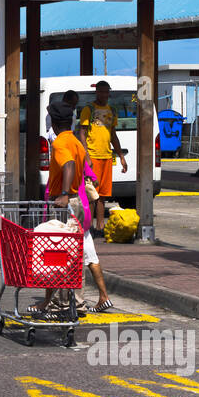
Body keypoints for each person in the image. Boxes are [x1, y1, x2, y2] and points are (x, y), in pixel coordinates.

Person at [38, 98, 114, 315]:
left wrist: (63, 193)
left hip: (67, 203)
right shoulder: (76, 142)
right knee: (74, 254)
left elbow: (69, 165)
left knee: (58, 254)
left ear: (53, 122)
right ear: (70, 121)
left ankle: (64, 304)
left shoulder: (60, 143)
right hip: (78, 203)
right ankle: (76, 302)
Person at [77, 79, 126, 234]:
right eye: (101, 91)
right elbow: (82, 134)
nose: (104, 94)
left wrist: (121, 156)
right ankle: (88, 227)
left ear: (109, 93)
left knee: (103, 195)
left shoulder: (112, 110)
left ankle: (100, 227)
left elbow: (113, 135)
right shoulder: (89, 109)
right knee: (92, 195)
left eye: (106, 92)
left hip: (106, 156)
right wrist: (87, 157)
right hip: (93, 156)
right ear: (96, 92)